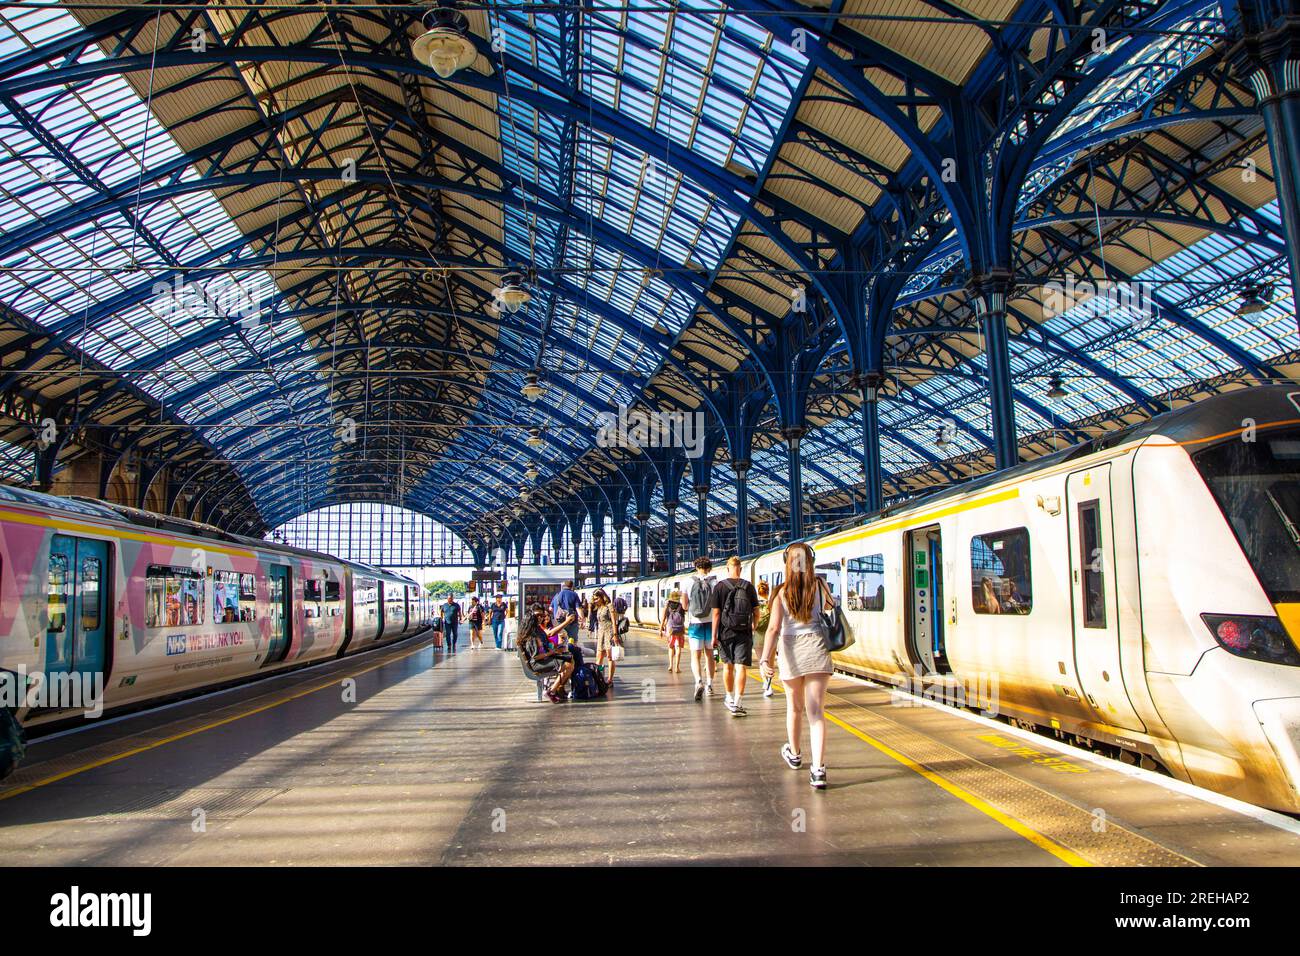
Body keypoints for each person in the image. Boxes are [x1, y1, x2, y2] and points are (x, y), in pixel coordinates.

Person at [759, 542, 835, 790]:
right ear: (810, 561)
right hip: (818, 649)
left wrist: (764, 659)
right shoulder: (820, 586)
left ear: (787, 563)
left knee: (794, 708)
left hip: (790, 651)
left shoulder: (781, 592)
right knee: (817, 712)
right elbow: (830, 608)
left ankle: (794, 753)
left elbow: (773, 629)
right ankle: (819, 770)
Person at [711, 556, 759, 717]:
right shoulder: (749, 587)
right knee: (741, 667)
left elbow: (716, 614)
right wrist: (754, 626)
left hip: (725, 633)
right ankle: (738, 702)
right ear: (740, 568)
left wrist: (713, 636)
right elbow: (756, 611)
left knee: (727, 666)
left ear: (727, 568)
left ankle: (729, 697)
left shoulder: (719, 587)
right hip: (744, 632)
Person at [517, 604, 577, 703]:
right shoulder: (532, 636)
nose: (541, 618)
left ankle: (555, 690)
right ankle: (553, 690)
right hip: (537, 663)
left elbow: (546, 643)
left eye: (542, 615)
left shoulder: (537, 630)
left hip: (544, 658)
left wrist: (554, 648)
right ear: (531, 618)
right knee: (568, 664)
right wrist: (551, 653)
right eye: (538, 616)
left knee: (570, 658)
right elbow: (535, 657)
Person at [685, 556, 718, 702]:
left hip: (695, 623)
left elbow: (685, 605)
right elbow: (718, 606)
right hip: (711, 623)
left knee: (695, 656)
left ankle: (698, 681)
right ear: (709, 568)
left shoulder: (688, 582)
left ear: (696, 567)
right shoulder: (715, 582)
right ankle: (710, 685)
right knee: (710, 656)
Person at [591, 588, 622, 684]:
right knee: (599, 657)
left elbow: (614, 621)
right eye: (594, 599)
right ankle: (597, 678)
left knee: (610, 657)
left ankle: (610, 680)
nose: (595, 601)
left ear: (602, 597)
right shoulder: (599, 607)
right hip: (601, 634)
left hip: (609, 633)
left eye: (597, 598)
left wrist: (615, 634)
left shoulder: (609, 606)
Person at [660, 589, 686, 674]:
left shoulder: (667, 606)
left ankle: (671, 665)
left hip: (670, 629)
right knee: (678, 648)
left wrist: (660, 629)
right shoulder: (681, 606)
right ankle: (677, 667)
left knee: (671, 647)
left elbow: (663, 618)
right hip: (680, 629)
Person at [550, 580, 582, 644]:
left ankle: (561, 651)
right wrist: (582, 619)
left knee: (561, 638)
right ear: (572, 586)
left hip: (559, 622)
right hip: (571, 621)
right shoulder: (574, 594)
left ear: (564, 586)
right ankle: (572, 651)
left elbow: (550, 608)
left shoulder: (557, 595)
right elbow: (578, 608)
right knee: (572, 640)